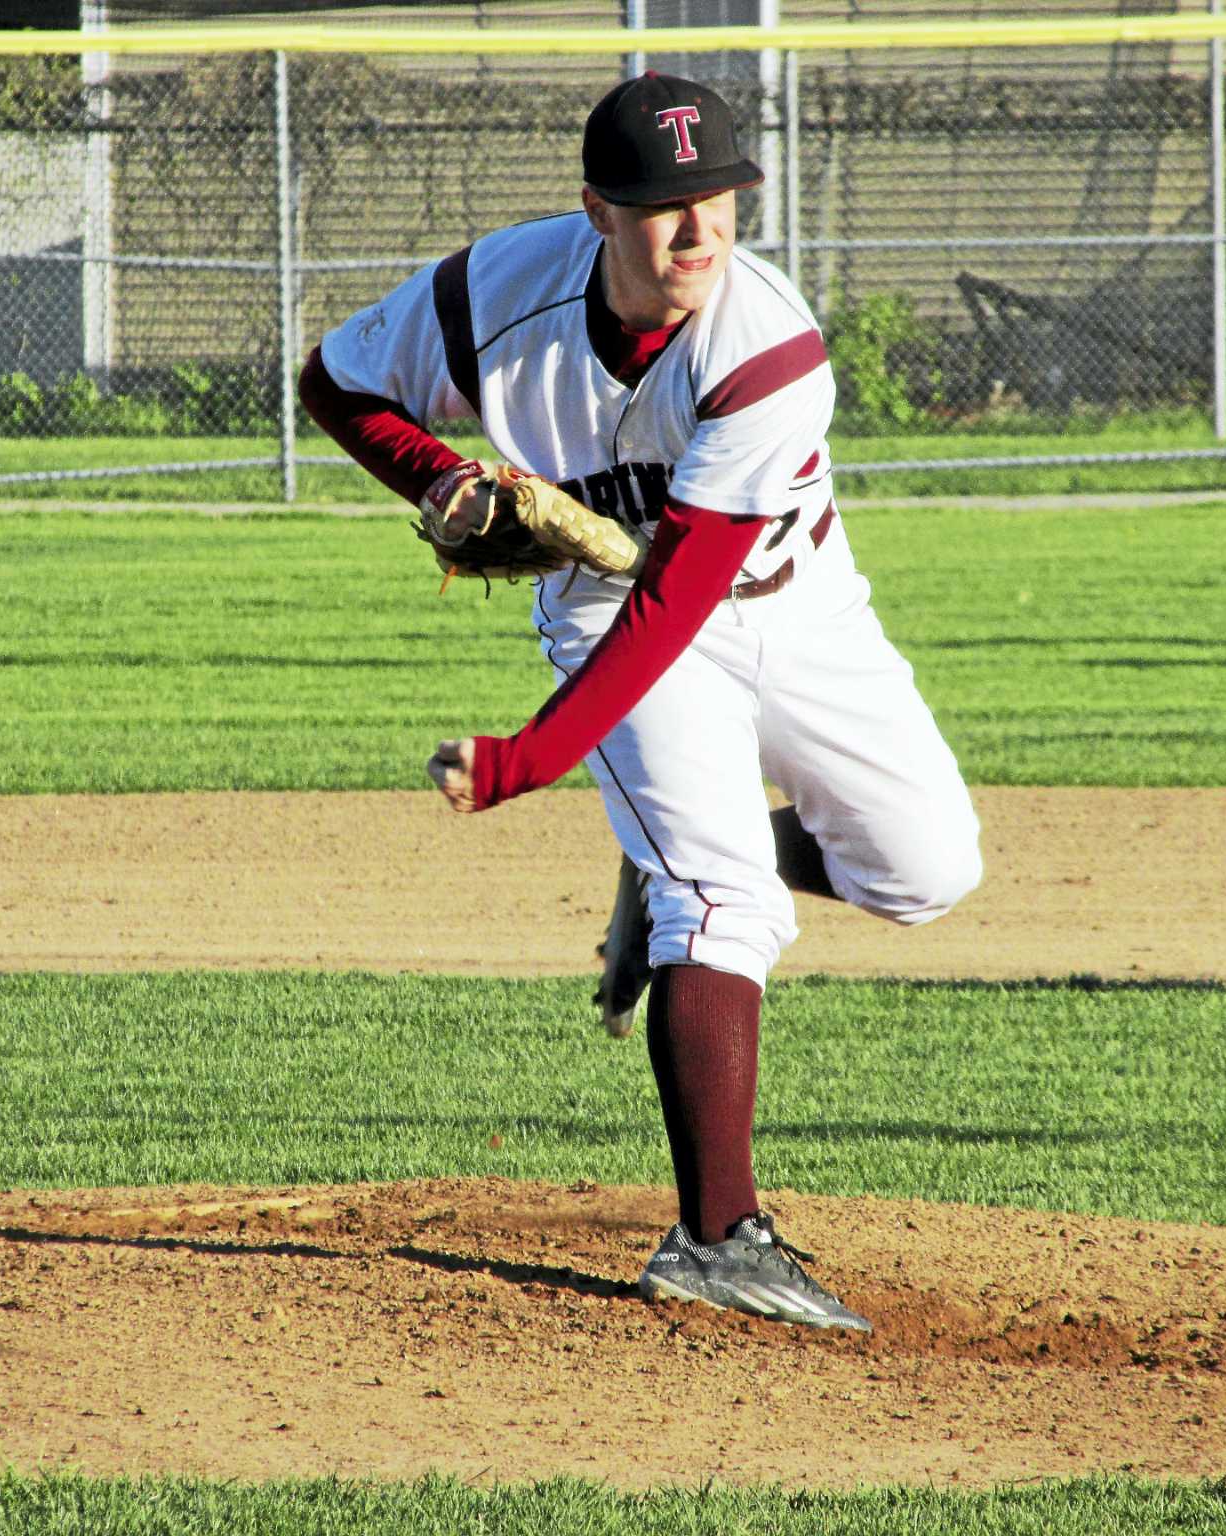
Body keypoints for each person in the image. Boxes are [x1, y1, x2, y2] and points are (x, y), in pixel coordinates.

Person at [299, 72, 982, 1333]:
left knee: (926, 870)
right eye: (664, 205)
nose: (698, 229)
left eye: (717, 198)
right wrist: (440, 476)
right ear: (597, 211)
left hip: (792, 601)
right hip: (604, 612)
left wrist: (525, 762)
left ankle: (661, 873)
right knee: (724, 901)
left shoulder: (764, 348)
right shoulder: (491, 295)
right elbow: (335, 382)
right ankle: (716, 1235)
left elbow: (685, 600)